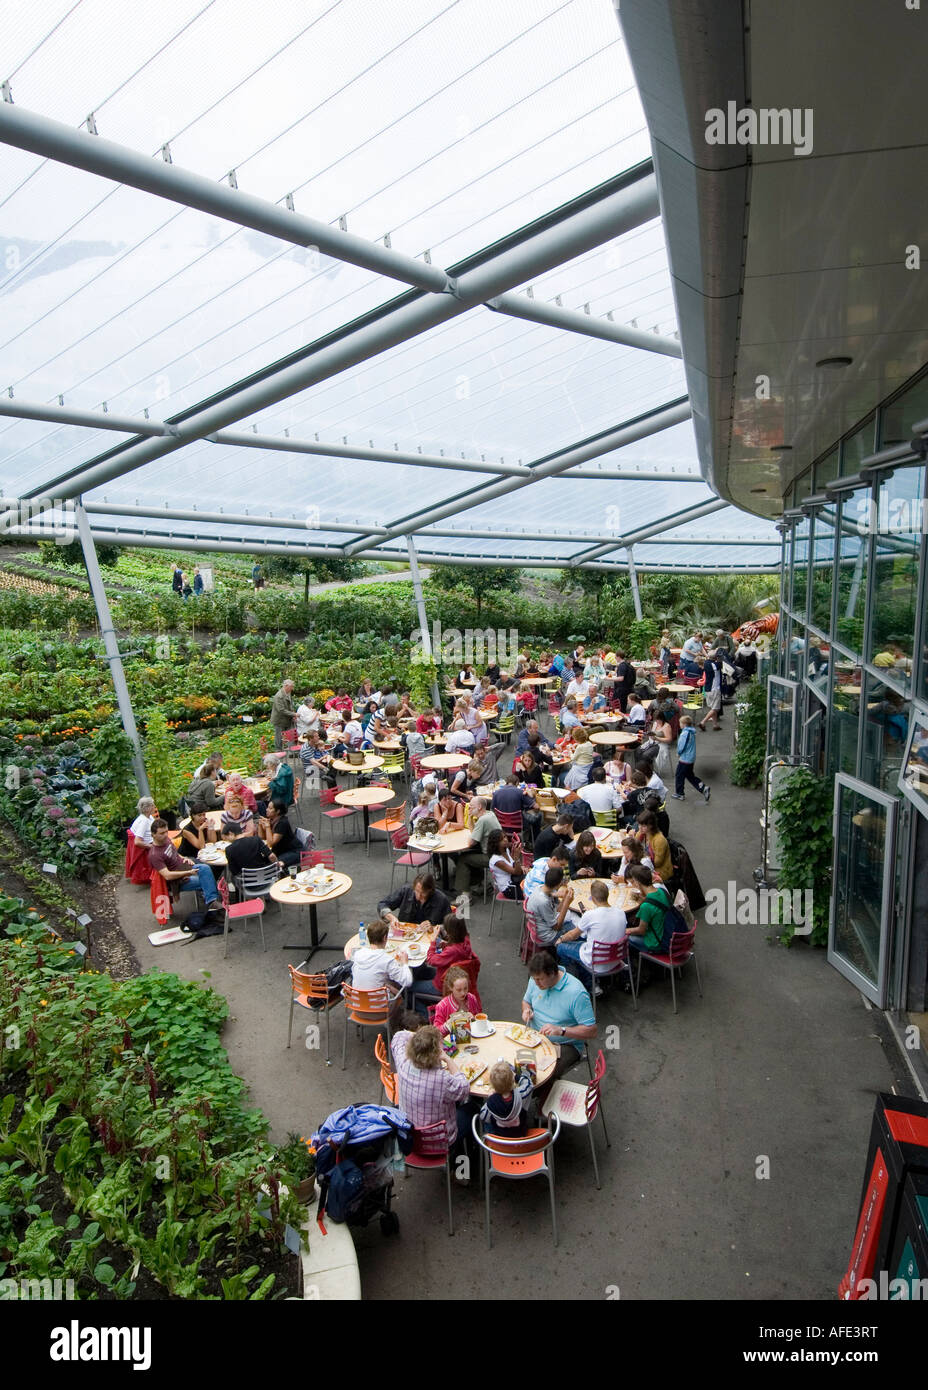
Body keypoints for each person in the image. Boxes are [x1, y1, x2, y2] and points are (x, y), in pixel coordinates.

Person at [390, 1025, 470, 1148]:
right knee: (471, 1109)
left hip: (410, 1136)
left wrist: (420, 1039)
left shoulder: (403, 1063)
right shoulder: (442, 1079)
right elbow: (464, 1088)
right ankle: (464, 1158)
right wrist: (448, 1059)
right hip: (438, 1143)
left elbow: (398, 1036)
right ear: (436, 1053)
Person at [522, 951, 597, 1082]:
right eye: (534, 979)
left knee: (539, 1074)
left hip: (565, 1044)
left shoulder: (576, 993)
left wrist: (561, 1030)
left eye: (539, 979)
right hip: (535, 1037)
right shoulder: (535, 980)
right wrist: (526, 1010)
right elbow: (526, 1001)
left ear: (552, 974)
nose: (536, 983)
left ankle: (541, 1098)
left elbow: (592, 1031)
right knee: (513, 1063)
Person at [556, 878, 627, 993]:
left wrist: (560, 939)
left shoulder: (590, 915)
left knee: (561, 948)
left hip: (596, 962)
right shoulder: (621, 913)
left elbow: (572, 935)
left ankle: (577, 985)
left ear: (592, 898)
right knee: (581, 945)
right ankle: (588, 981)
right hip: (616, 959)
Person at [148, 820, 221, 911]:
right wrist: (187, 873)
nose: (165, 835)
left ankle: (210, 900)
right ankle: (211, 901)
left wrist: (184, 858)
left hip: (184, 866)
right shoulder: (154, 855)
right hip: (177, 881)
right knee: (208, 881)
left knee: (205, 868)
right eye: (161, 833)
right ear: (153, 834)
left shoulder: (166, 840)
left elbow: (176, 853)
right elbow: (167, 876)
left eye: (166, 832)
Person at [453, 797, 500, 908]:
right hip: (498, 853)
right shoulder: (490, 814)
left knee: (463, 858)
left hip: (491, 857)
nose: (469, 808)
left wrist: (470, 821)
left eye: (471, 807)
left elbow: (471, 842)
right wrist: (469, 817)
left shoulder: (482, 820)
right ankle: (481, 883)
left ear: (479, 807)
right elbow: (474, 832)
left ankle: (465, 897)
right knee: (468, 854)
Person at [351, 918, 413, 996]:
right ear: (384, 938)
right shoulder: (386, 960)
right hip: (378, 1005)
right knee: (397, 990)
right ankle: (404, 1005)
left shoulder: (358, 954)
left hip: (357, 1002)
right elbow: (407, 981)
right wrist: (405, 963)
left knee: (386, 983)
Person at [377, 873, 451, 931]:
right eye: (417, 891)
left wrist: (434, 928)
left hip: (429, 940)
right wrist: (391, 917)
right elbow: (382, 904)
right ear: (414, 887)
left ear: (430, 891)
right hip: (405, 935)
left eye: (423, 893)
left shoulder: (441, 900)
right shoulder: (406, 891)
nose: (418, 896)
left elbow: (451, 926)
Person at [527, 865, 577, 947]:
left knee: (573, 923)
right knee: (578, 933)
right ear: (558, 884)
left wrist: (564, 899)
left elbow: (556, 910)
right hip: (548, 935)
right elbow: (556, 927)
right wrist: (566, 904)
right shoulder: (543, 901)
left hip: (543, 926)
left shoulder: (540, 888)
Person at [480, 1061, 534, 1137]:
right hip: (520, 1134)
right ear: (512, 1081)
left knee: (487, 1122)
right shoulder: (520, 1094)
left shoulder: (491, 1102)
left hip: (500, 1138)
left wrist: (491, 1098)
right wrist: (517, 1077)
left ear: (492, 1086)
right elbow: (529, 1085)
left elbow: (483, 1116)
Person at [432, 966, 481, 1034]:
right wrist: (448, 1024)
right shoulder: (442, 1006)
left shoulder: (472, 998)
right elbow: (436, 1032)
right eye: (459, 990)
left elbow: (480, 1018)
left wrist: (474, 1018)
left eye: (465, 988)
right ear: (450, 987)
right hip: (451, 1043)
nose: (463, 993)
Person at [672, 716, 709, 802]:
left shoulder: (685, 733)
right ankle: (703, 788)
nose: (679, 724)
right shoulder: (691, 732)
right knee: (690, 775)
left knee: (679, 775)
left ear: (684, 724)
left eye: (680, 723)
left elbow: (681, 745)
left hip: (685, 759)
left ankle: (679, 793)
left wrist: (678, 753)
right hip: (690, 758)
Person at [492, 774, 540, 839]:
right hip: (518, 826)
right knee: (539, 815)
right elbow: (536, 807)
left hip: (501, 826)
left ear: (506, 782)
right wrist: (530, 795)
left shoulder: (496, 793)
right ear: (517, 783)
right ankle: (533, 840)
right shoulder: (520, 792)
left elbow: (492, 810)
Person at [258, 801, 301, 866]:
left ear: (278, 811)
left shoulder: (282, 823)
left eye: (270, 808)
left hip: (293, 851)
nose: (266, 810)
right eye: (267, 807)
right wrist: (260, 825)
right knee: (262, 860)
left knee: (274, 864)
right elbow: (262, 837)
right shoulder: (271, 820)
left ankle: (285, 875)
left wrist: (267, 826)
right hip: (281, 850)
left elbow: (270, 843)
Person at [636, 810, 673, 883]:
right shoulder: (643, 833)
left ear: (651, 825)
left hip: (659, 871)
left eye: (643, 826)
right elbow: (635, 844)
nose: (640, 828)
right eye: (639, 825)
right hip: (645, 865)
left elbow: (657, 863)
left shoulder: (659, 840)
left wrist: (642, 856)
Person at [487, 828, 524, 899]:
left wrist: (522, 867)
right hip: (509, 888)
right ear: (496, 843)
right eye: (501, 840)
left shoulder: (505, 850)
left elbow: (512, 864)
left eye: (505, 836)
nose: (505, 840)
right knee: (531, 891)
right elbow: (517, 872)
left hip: (515, 880)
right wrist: (517, 858)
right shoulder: (496, 860)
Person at [697, 655, 723, 731]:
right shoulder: (715, 665)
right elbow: (722, 662)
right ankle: (703, 722)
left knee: (712, 708)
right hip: (714, 689)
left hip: (707, 689)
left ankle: (715, 725)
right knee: (715, 708)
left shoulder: (705, 664)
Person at [270, 680, 296, 751]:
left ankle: (291, 751)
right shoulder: (279, 696)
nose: (292, 688)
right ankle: (278, 751)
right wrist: (294, 714)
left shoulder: (288, 693)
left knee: (290, 734)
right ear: (286, 686)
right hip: (279, 720)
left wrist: (293, 713)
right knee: (279, 736)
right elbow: (281, 710)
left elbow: (290, 704)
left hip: (288, 718)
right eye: (291, 686)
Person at [649, 713, 675, 780]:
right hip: (653, 742)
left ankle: (656, 771)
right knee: (641, 750)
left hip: (662, 744)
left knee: (659, 752)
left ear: (662, 719)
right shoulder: (655, 723)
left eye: (658, 720)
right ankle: (648, 769)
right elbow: (652, 733)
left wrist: (657, 738)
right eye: (656, 720)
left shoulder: (666, 726)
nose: (657, 721)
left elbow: (669, 739)